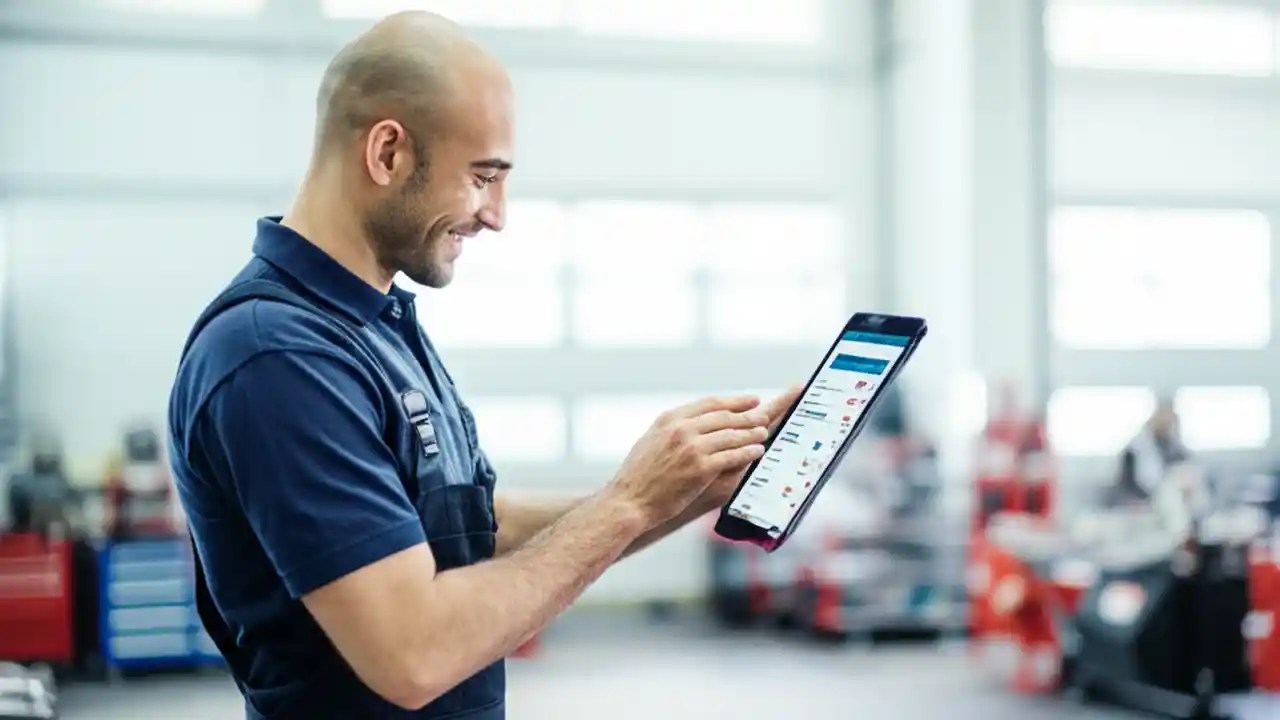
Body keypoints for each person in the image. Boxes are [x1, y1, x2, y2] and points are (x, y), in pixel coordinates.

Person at [167, 11, 800, 720]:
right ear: (387, 153)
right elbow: (414, 653)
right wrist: (629, 501)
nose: (496, 214)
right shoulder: (276, 355)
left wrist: (687, 492)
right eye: (482, 177)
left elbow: (470, 529)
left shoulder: (375, 323)